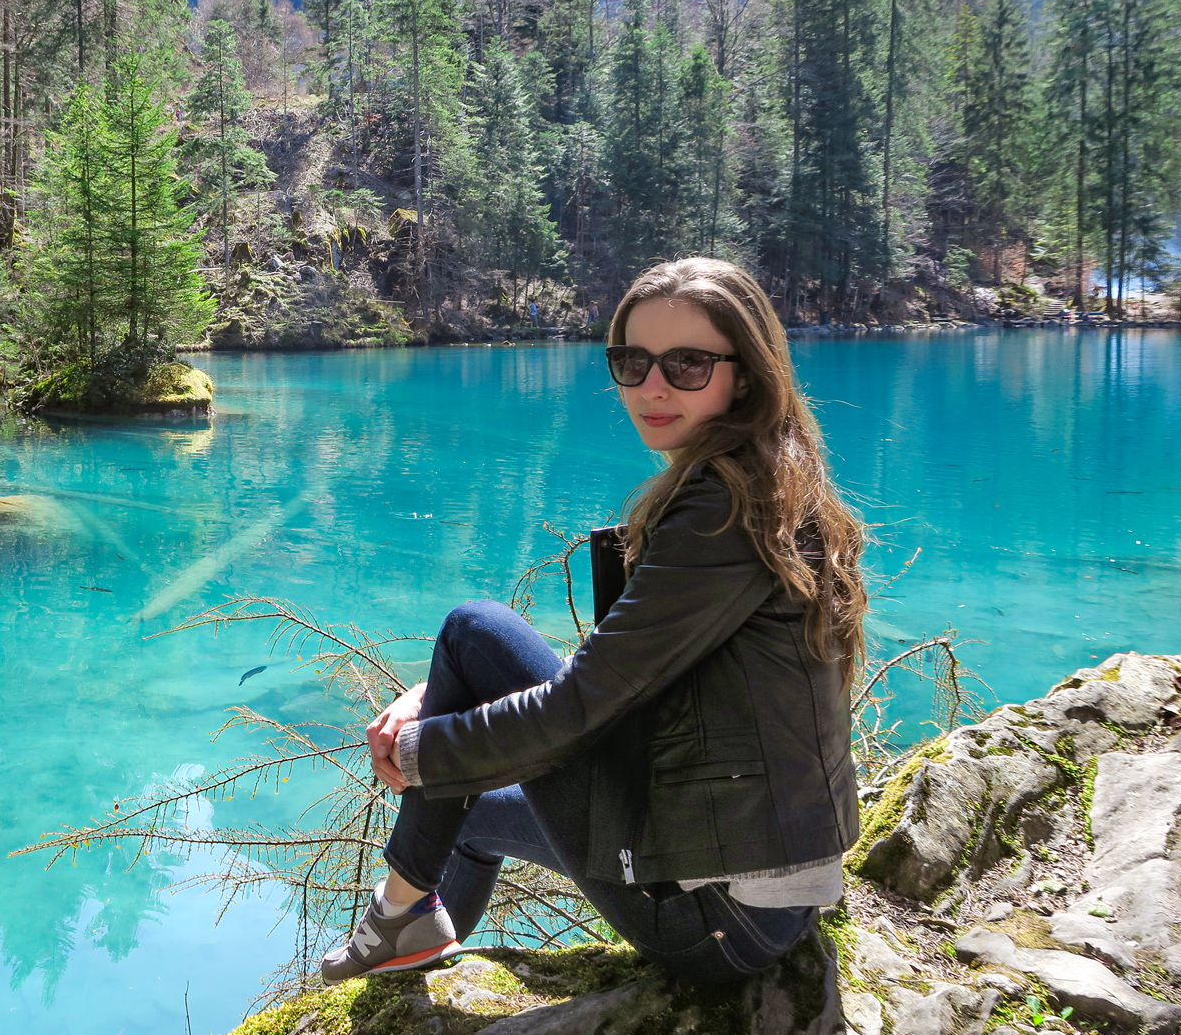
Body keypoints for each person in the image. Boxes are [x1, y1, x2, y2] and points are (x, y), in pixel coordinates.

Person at [322, 257, 867, 984]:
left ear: (748, 371)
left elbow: (582, 707)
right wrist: (438, 701)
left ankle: (393, 918)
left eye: (688, 363)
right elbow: (626, 672)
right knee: (473, 802)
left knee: (472, 632)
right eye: (632, 361)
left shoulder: (727, 511)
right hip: (758, 896)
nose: (652, 387)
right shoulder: (772, 477)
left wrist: (421, 750)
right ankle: (413, 933)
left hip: (719, 920)